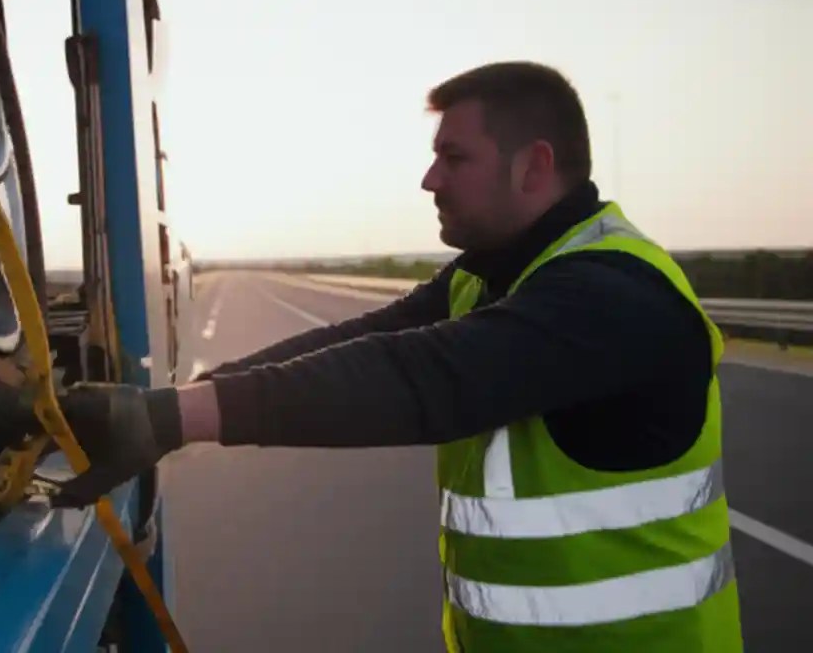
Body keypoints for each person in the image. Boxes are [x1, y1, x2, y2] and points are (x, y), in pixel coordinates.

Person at [51, 61, 744, 652]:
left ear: (533, 166)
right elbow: (368, 341)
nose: (429, 180)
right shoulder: (492, 274)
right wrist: (174, 406)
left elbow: (422, 377)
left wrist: (173, 421)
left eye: (455, 158)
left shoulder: (612, 294)